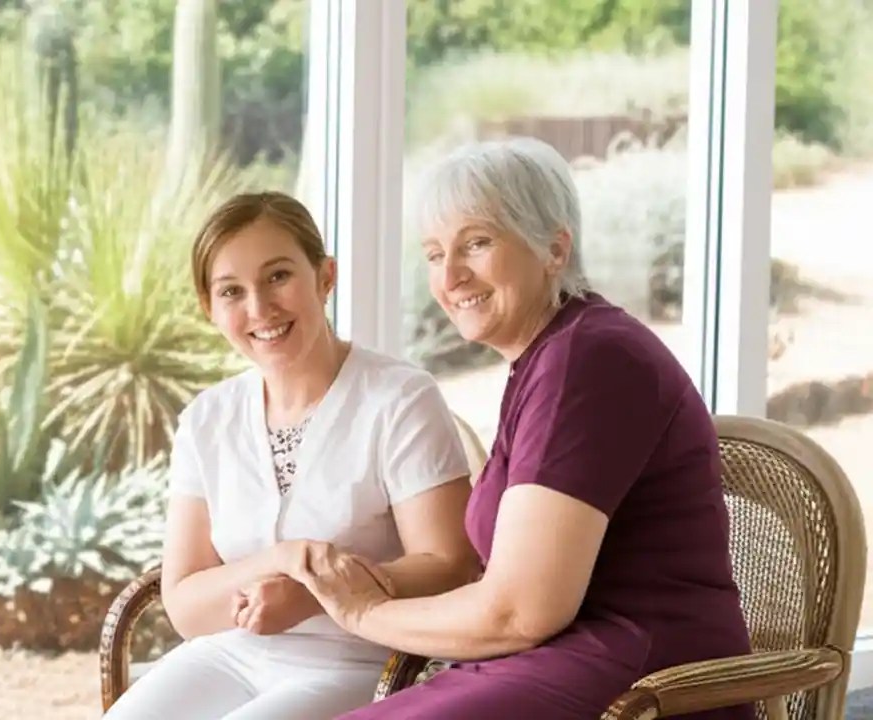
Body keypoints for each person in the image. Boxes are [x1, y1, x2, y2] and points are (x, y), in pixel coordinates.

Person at [284, 137, 755, 719]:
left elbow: (519, 611)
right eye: (435, 254)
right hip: (560, 663)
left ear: (555, 248)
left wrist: (363, 615)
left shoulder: (587, 360)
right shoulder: (550, 355)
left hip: (643, 685)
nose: (451, 276)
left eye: (477, 243)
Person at [103, 191, 479, 720]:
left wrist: (316, 594)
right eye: (232, 291)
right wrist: (282, 562)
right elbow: (186, 603)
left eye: (278, 276)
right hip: (229, 654)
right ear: (210, 309)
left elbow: (449, 565)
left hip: (364, 658)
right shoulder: (206, 420)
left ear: (325, 277)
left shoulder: (400, 399)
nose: (260, 308)